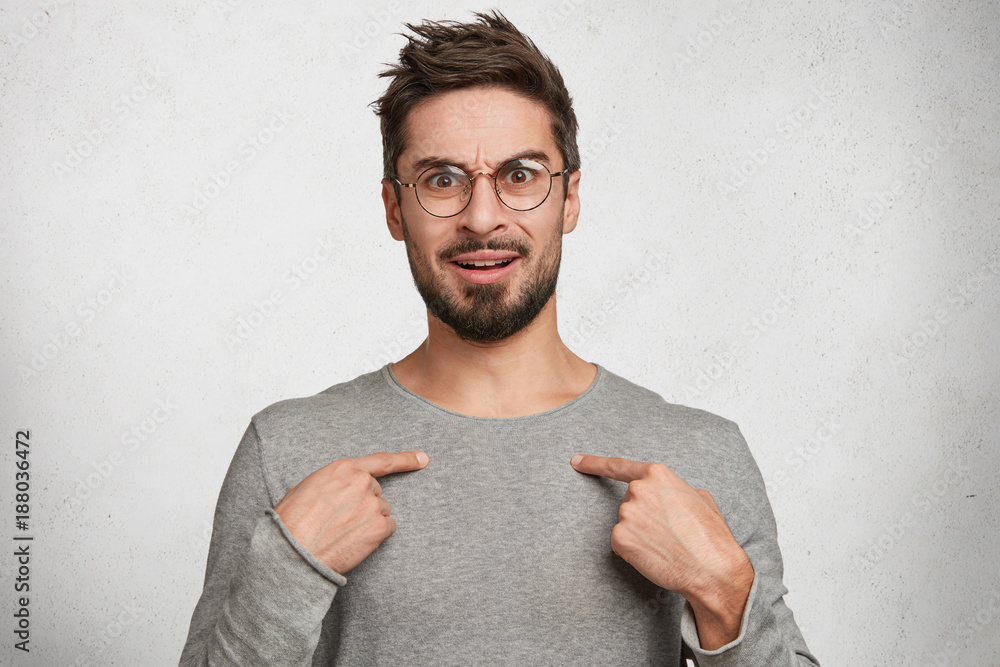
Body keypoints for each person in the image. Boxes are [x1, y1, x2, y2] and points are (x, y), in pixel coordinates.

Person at [180, 11, 818, 666]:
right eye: (442, 180)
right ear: (394, 208)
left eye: (520, 175)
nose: (482, 218)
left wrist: (724, 591)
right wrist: (287, 569)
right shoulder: (286, 449)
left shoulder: (700, 455)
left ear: (570, 199)